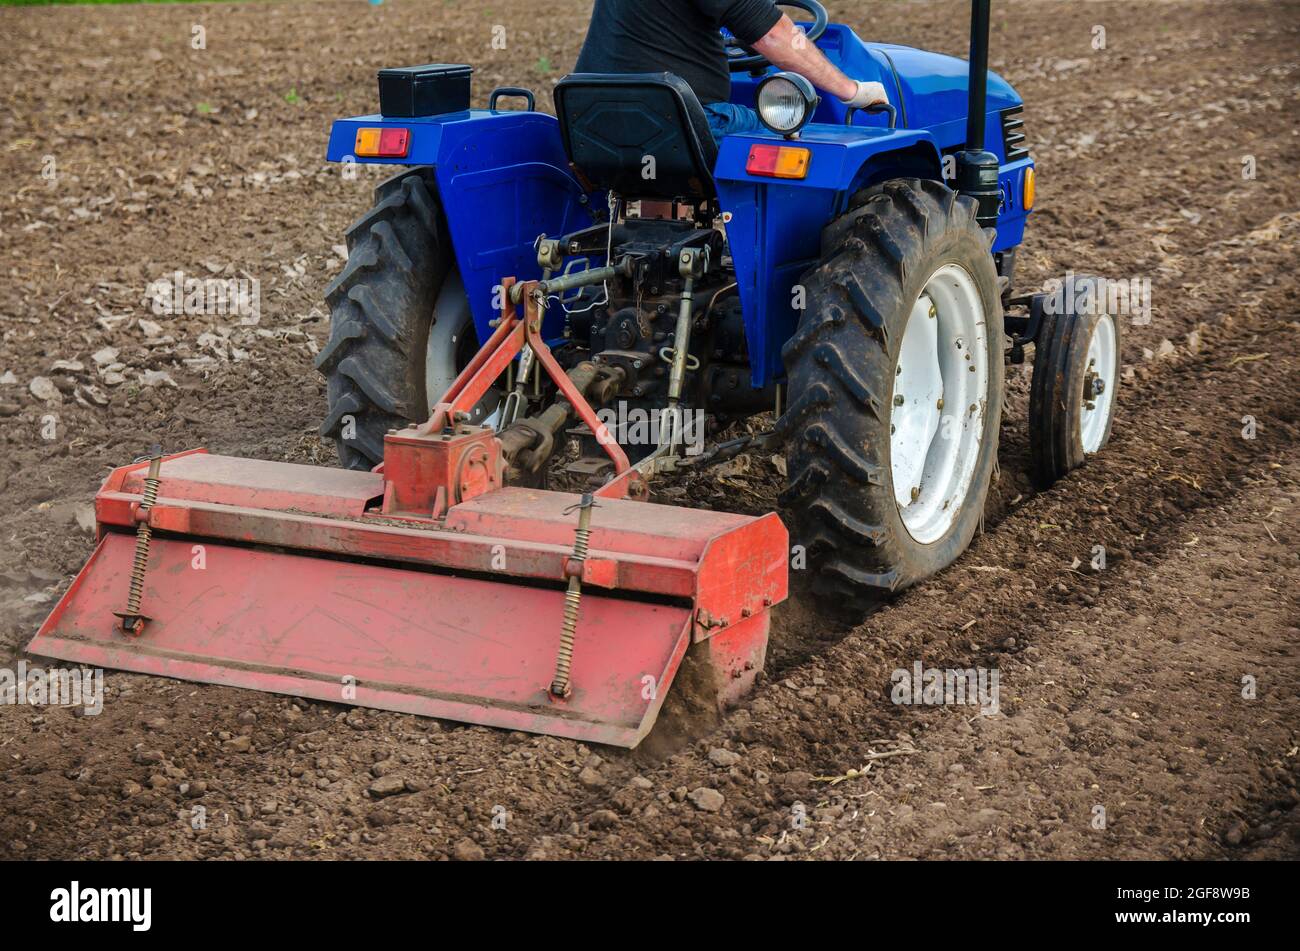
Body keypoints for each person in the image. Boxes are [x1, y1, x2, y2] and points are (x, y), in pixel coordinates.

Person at [574, 0, 889, 144]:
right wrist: (853, 91)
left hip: (591, 117)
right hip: (676, 123)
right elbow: (774, 36)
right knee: (813, 140)